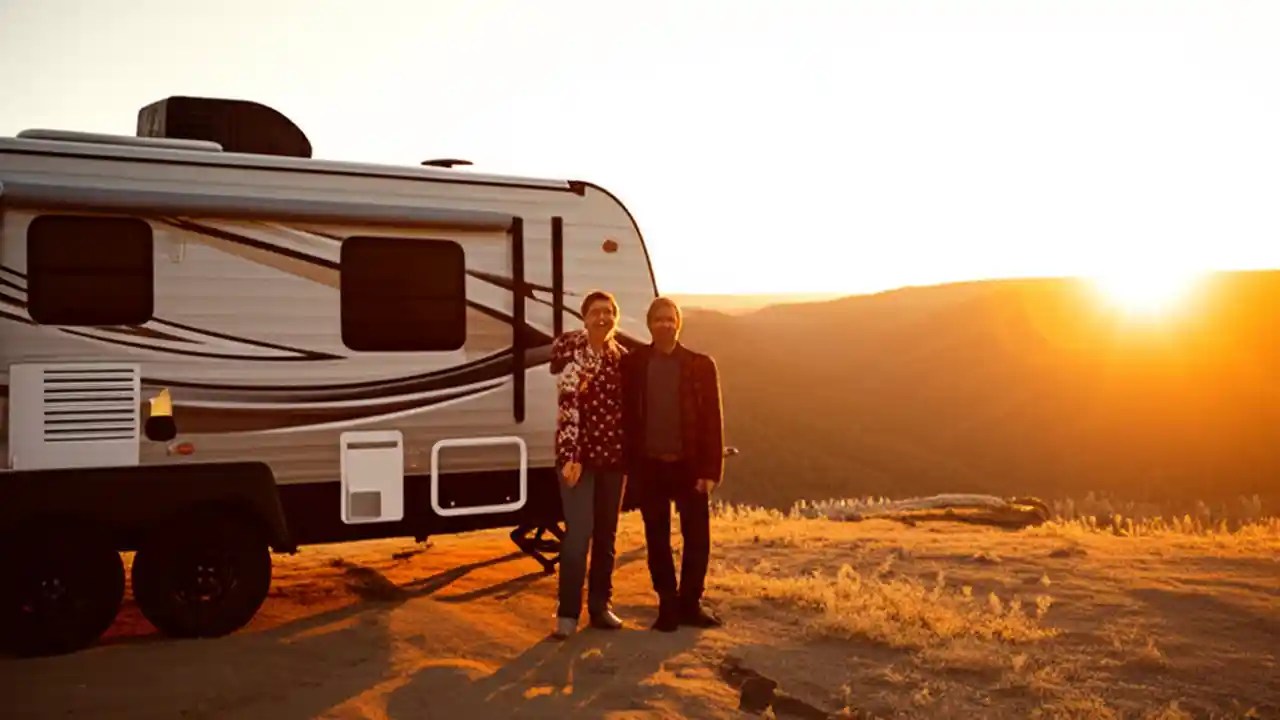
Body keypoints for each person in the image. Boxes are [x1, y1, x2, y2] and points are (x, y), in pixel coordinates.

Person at [622, 296, 726, 632]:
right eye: (659, 319)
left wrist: (711, 471)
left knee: (697, 538)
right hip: (650, 465)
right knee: (657, 538)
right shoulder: (634, 364)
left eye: (670, 319)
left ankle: (690, 604)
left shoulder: (699, 364)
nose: (665, 324)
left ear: (678, 323)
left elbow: (713, 420)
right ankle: (667, 604)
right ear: (649, 324)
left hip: (689, 465)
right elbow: (626, 417)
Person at [548, 289, 628, 639]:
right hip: (578, 459)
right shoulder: (573, 354)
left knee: (607, 535)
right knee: (579, 535)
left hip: (613, 458)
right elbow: (568, 407)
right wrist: (570, 456)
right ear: (584, 317)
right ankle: (567, 614)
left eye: (608, 312)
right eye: (596, 311)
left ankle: (600, 607)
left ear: (616, 317)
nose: (602, 317)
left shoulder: (620, 357)